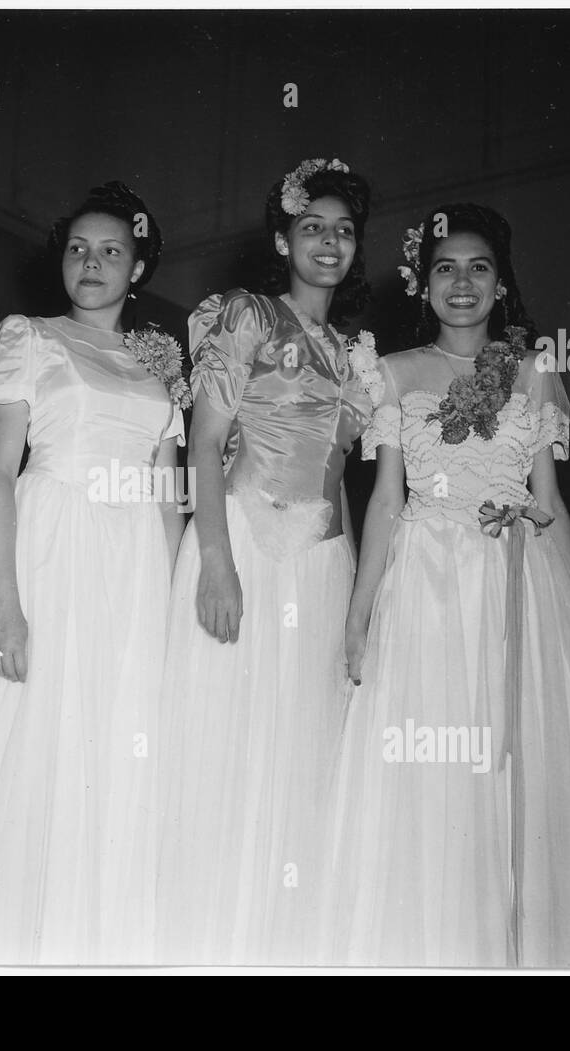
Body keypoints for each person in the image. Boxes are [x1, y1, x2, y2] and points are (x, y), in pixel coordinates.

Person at [325, 204, 570, 967]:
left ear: (501, 283)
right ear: (423, 283)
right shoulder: (395, 374)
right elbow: (383, 501)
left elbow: (553, 507)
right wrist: (359, 616)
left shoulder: (534, 372)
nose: (461, 282)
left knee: (522, 784)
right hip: (428, 587)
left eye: (477, 268)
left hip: (520, 586)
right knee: (436, 778)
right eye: (445, 268)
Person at [155, 158, 377, 965]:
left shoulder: (355, 356)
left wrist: (354, 590)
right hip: (241, 540)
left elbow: (339, 481)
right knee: (224, 744)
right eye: (312, 227)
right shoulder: (246, 317)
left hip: (319, 562)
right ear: (283, 238)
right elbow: (205, 445)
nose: (329, 243)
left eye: (344, 231)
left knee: (303, 753)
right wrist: (216, 561)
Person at [0, 182, 186, 965]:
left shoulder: (160, 360)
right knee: (37, 749)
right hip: (49, 549)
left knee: (119, 752)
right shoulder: (28, 336)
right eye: (78, 248)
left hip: (136, 571)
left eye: (112, 250)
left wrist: (175, 599)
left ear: (139, 264)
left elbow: (168, 494)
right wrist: (6, 607)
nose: (92, 263)